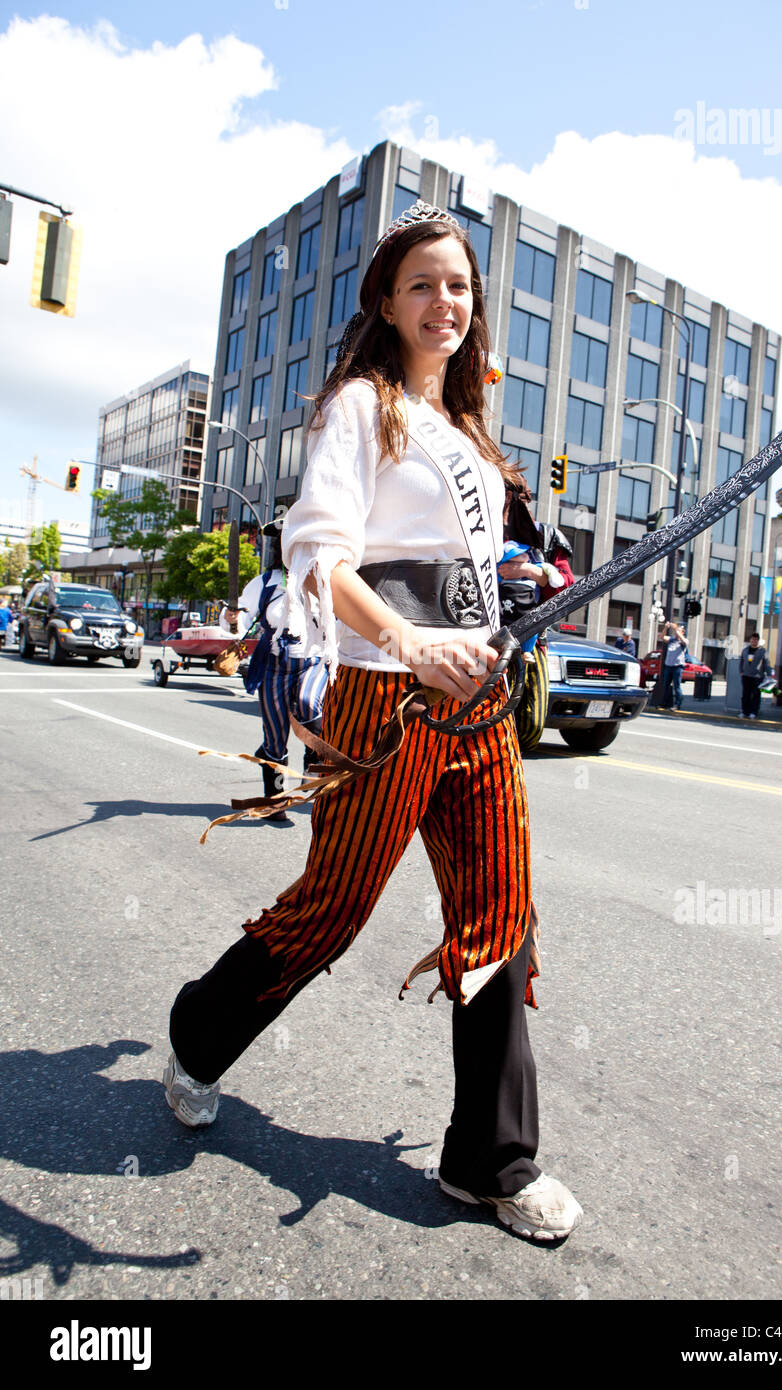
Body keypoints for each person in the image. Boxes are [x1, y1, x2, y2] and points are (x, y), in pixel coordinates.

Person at [163, 200, 582, 1242]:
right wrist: (411, 644)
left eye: (459, 285)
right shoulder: (363, 405)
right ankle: (197, 1032)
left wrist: (502, 607)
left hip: (476, 706)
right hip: (385, 698)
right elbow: (322, 557)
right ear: (388, 304)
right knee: (330, 909)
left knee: (499, 918)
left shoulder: (472, 437)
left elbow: (465, 575)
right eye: (423, 284)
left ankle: (488, 1159)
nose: (445, 301)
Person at [220, 522, 328, 816]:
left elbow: (340, 621)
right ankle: (275, 797)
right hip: (275, 664)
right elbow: (237, 623)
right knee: (275, 737)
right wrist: (231, 617)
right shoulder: (264, 583)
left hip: (314, 661)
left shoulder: (323, 579)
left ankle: (315, 765)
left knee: (309, 705)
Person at [739, 632, 772, 718]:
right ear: (750, 640)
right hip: (746, 675)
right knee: (745, 694)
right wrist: (741, 672)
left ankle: (754, 712)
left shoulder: (762, 651)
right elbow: (741, 661)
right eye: (753, 639)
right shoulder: (745, 650)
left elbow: (766, 663)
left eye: (756, 640)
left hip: (757, 676)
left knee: (755, 695)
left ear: (758, 641)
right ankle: (744, 711)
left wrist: (769, 675)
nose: (754, 641)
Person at [659, 620, 688, 709]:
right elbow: (662, 637)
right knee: (665, 686)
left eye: (680, 630)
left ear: (683, 632)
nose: (677, 632)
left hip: (677, 667)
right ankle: (664, 703)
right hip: (668, 666)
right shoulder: (671, 639)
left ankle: (677, 704)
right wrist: (666, 627)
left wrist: (677, 630)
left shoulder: (684, 641)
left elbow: (684, 641)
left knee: (677, 686)